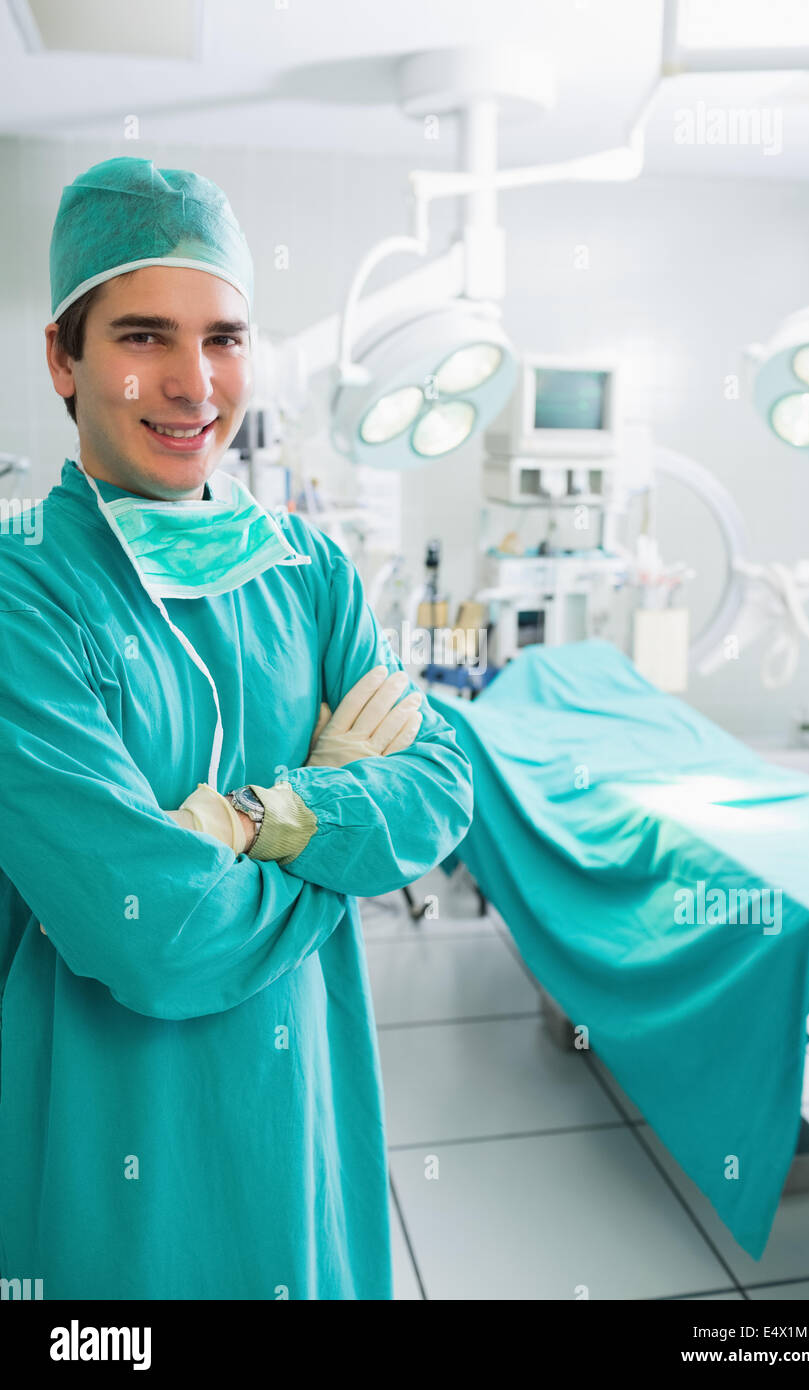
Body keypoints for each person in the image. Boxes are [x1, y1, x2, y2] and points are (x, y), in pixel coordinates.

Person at [0, 156, 474, 1300]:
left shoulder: (306, 567)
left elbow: (447, 779)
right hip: (112, 1114)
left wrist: (268, 814)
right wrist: (340, 829)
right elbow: (155, 937)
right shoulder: (25, 593)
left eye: (223, 338)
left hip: (297, 1083)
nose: (193, 383)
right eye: (144, 336)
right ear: (64, 357)